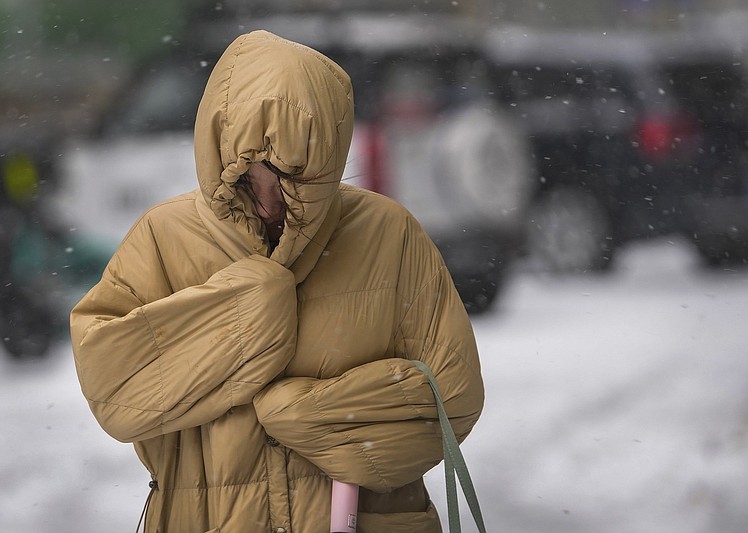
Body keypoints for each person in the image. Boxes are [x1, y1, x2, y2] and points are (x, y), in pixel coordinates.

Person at [70, 30, 484, 533]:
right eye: (249, 173)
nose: (271, 200)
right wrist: (247, 312)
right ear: (219, 149)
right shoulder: (164, 236)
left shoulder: (385, 233)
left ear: (328, 160)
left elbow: (452, 396)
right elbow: (115, 391)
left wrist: (315, 418)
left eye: (297, 176)